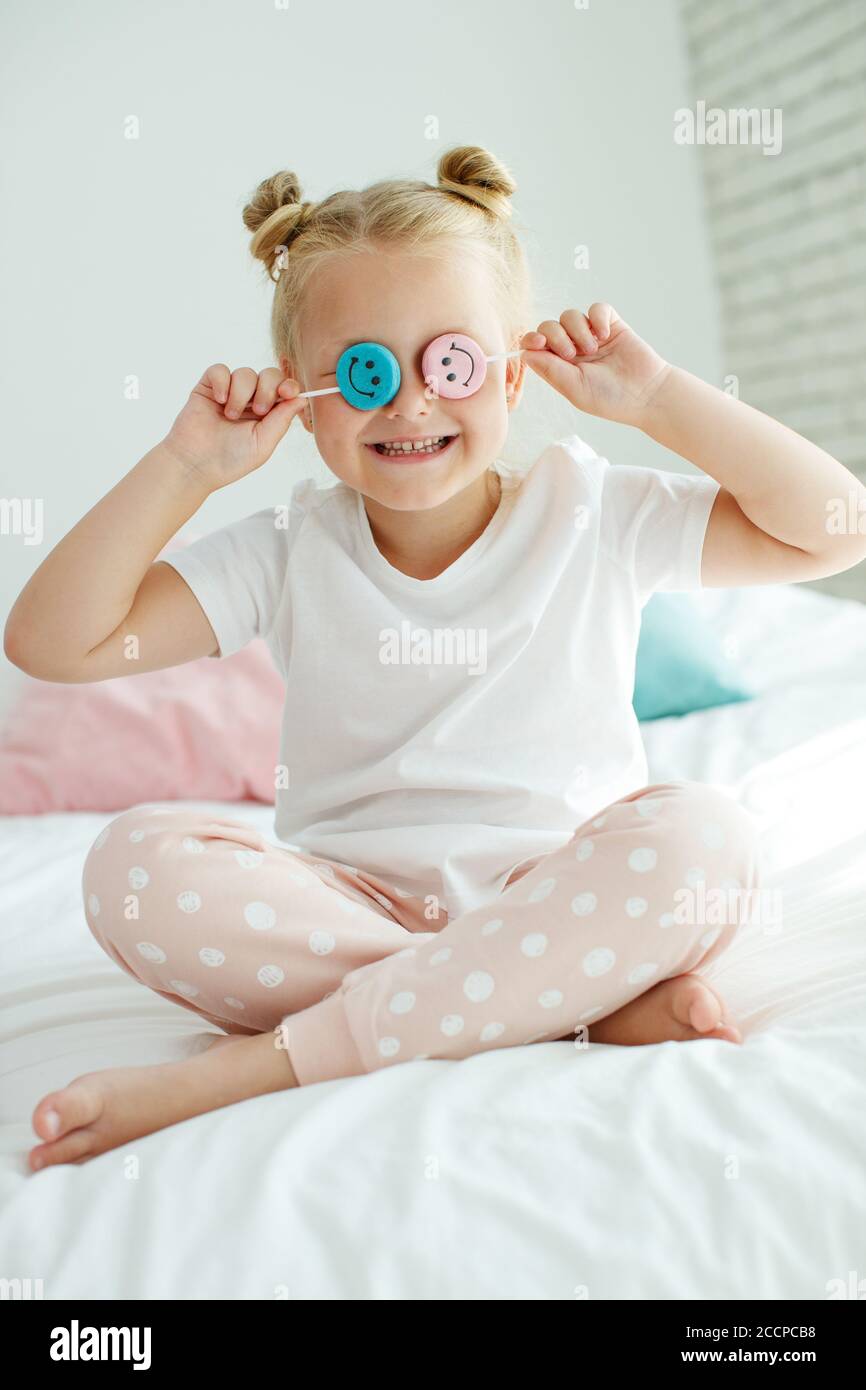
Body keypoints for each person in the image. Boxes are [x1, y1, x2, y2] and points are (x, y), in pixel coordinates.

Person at [8, 145, 866, 1170]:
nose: (410, 405)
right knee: (131, 866)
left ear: (507, 371)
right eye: (364, 372)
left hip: (558, 884)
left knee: (705, 839)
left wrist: (657, 400)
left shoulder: (591, 509)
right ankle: (559, 1000)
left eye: (449, 363)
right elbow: (50, 642)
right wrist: (185, 467)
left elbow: (830, 527)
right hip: (349, 905)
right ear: (307, 398)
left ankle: (269, 1062)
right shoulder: (288, 550)